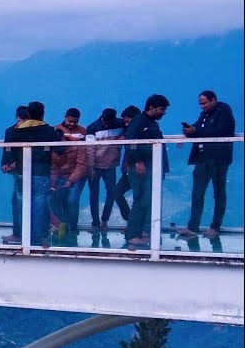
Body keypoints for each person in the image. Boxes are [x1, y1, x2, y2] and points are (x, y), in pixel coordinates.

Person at [0, 101, 60, 246]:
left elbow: (9, 150)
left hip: (21, 172)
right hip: (41, 171)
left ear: (28, 114)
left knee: (21, 203)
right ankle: (39, 237)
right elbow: (60, 149)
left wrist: (9, 163)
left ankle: (22, 235)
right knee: (40, 203)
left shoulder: (14, 130)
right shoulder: (48, 130)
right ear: (42, 114)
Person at [178, 90, 235, 239]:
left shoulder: (224, 112)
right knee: (197, 193)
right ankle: (193, 227)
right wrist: (190, 130)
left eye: (204, 103)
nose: (202, 106)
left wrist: (197, 130)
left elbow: (222, 131)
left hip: (218, 160)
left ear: (213, 100)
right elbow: (198, 129)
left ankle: (215, 227)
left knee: (219, 193)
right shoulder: (204, 115)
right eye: (200, 104)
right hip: (202, 159)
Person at [124, 94, 171, 248]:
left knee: (148, 201)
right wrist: (138, 162)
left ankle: (143, 232)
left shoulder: (152, 123)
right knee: (139, 201)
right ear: (151, 107)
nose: (164, 113)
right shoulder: (138, 121)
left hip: (152, 168)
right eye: (162, 109)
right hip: (140, 169)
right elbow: (131, 142)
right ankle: (132, 235)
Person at [49, 107, 91, 239]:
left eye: (75, 122)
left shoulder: (83, 132)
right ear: (65, 117)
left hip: (77, 175)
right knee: (54, 198)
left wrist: (71, 180)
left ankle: (72, 228)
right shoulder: (54, 131)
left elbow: (81, 164)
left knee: (72, 200)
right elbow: (52, 164)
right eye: (70, 121)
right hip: (59, 175)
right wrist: (53, 182)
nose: (72, 124)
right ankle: (61, 226)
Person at [84, 108, 129, 232]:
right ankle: (95, 223)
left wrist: (123, 137)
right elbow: (90, 148)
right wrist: (91, 166)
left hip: (111, 165)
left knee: (111, 193)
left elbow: (131, 131)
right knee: (94, 194)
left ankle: (105, 220)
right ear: (102, 117)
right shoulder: (92, 127)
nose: (108, 124)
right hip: (95, 165)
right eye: (106, 121)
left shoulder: (120, 123)